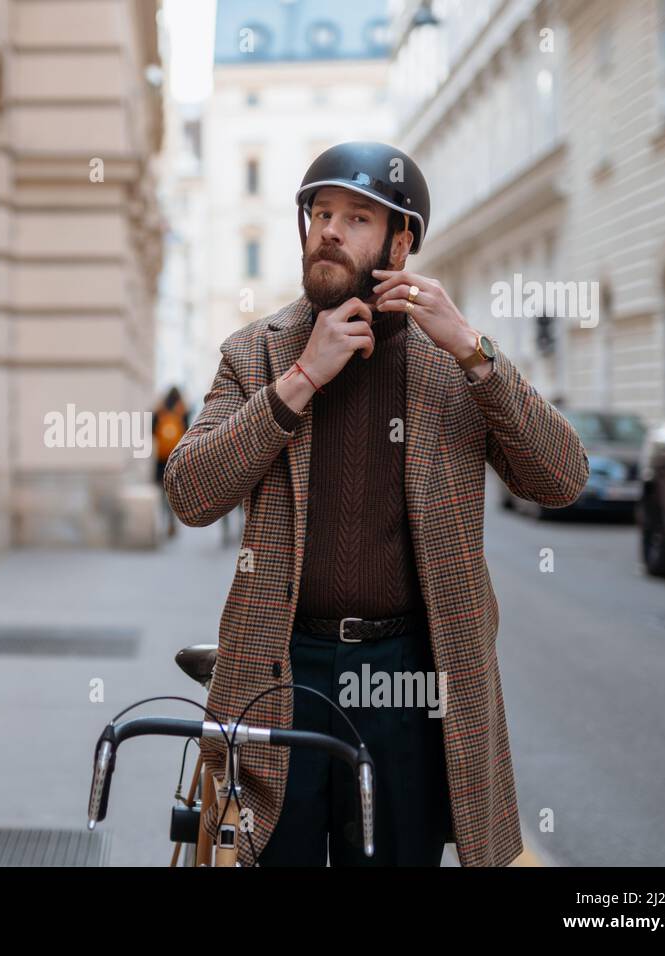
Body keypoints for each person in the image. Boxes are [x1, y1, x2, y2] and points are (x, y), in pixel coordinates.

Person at [162, 141, 589, 866]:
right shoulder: (256, 353)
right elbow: (191, 494)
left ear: (401, 242)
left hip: (408, 676)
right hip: (283, 667)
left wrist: (476, 353)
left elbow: (562, 478)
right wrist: (301, 379)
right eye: (321, 213)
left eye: (357, 218)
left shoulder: (451, 365)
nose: (330, 230)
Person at [152, 387, 191, 537]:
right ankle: (171, 521)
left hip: (161, 459)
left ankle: (163, 521)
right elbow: (188, 432)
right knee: (174, 493)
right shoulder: (182, 410)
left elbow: (152, 431)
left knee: (162, 493)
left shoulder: (160, 410)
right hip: (175, 458)